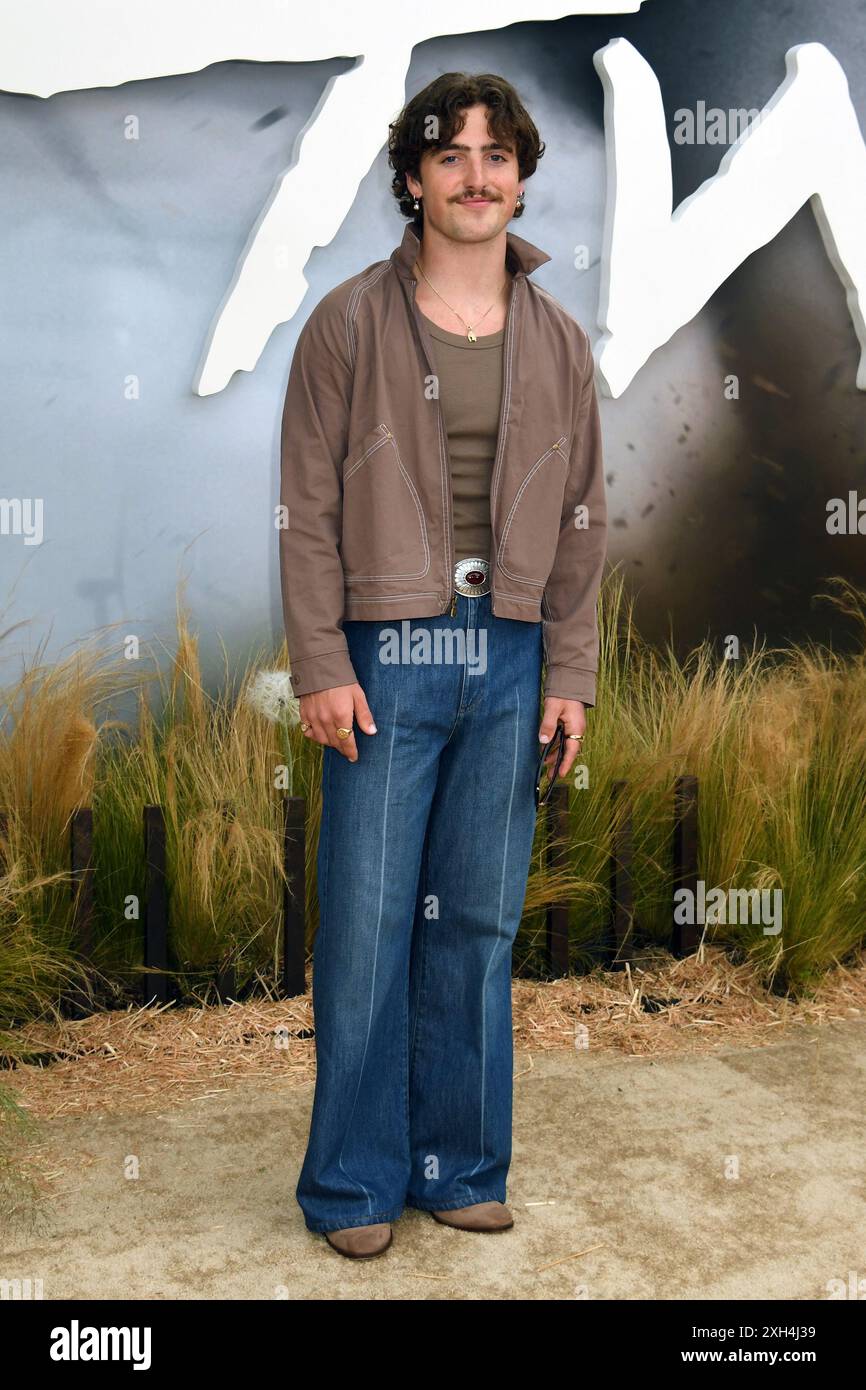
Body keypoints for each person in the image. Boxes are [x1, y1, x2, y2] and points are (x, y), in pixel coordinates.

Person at [279, 72, 608, 1259]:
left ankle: (457, 1164)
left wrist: (566, 671)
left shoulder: (559, 341)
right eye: (449, 154)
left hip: (510, 657)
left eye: (496, 154)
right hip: (380, 653)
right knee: (367, 925)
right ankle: (355, 1187)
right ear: (411, 180)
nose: (476, 174)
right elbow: (305, 510)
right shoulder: (348, 325)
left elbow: (582, 518)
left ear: (518, 176)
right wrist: (320, 659)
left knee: (471, 921)